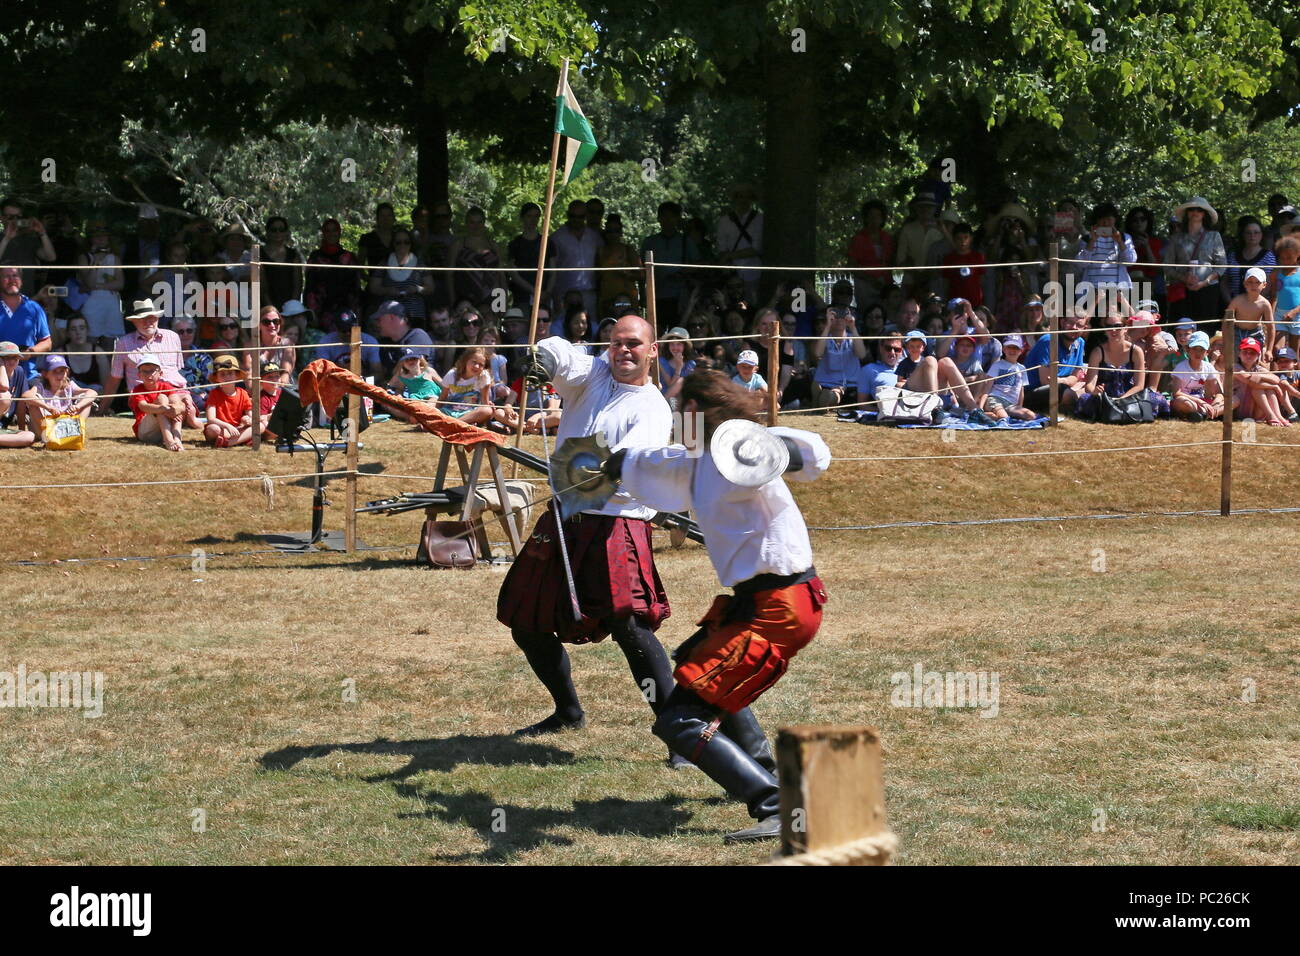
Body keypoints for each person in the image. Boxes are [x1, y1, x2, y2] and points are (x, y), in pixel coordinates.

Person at [606, 370, 830, 841]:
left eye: (677, 406)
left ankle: (778, 805)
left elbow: (809, 452)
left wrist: (782, 454)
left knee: (680, 721)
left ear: (695, 410)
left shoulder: (740, 451)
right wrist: (620, 462)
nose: (672, 416)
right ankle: (760, 770)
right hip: (764, 601)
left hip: (780, 606)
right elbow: (662, 460)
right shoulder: (700, 457)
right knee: (693, 666)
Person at [496, 315, 678, 750]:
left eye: (634, 344)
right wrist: (541, 358)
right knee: (527, 618)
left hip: (617, 522)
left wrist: (579, 471)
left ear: (652, 351)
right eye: (616, 343)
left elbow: (630, 466)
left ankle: (679, 734)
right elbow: (562, 354)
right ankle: (567, 712)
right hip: (564, 518)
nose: (623, 351)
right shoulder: (593, 373)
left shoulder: (652, 408)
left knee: (629, 626)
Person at [103, 298, 199, 426]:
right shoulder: (123, 343)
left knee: (187, 408)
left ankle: (184, 418)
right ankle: (177, 424)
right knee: (170, 407)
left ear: (158, 319)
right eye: (143, 319)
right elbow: (115, 377)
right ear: (135, 322)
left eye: (152, 318)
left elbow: (178, 370)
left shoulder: (173, 337)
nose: (148, 322)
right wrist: (103, 408)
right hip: (145, 395)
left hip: (176, 391)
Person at [1165, 197, 1227, 325]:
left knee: (1207, 329)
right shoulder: (1176, 238)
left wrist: (1205, 282)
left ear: (1204, 214)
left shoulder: (1214, 236)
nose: (1195, 212)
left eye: (1199, 209)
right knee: (1181, 328)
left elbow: (1222, 265)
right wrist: (1184, 278)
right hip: (1182, 290)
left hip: (1208, 290)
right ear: (1187, 213)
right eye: (1191, 209)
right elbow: (1167, 267)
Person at [1079, 313, 1148, 419]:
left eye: (1117, 326)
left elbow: (1139, 386)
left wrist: (1121, 400)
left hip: (1129, 397)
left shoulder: (1136, 351)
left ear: (1125, 328)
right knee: (1084, 399)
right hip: (1105, 398)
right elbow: (1089, 385)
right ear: (1104, 329)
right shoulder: (1097, 352)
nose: (1113, 330)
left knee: (1156, 398)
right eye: (1109, 327)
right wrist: (1095, 391)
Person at [1075, 202, 1137, 318]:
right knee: (1092, 324)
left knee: (1119, 324)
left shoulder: (1124, 237)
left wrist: (1119, 241)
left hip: (1119, 291)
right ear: (1096, 221)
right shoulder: (1087, 238)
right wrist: (1092, 241)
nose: (1105, 223)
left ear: (1115, 220)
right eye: (1102, 220)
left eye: (1109, 219)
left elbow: (1131, 261)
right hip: (1092, 291)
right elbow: (1080, 263)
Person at [641, 202, 697, 330]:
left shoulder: (686, 241)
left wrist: (682, 272)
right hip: (656, 296)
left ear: (677, 218)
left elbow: (698, 266)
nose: (667, 220)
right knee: (655, 331)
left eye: (671, 216)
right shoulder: (649, 242)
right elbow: (642, 272)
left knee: (679, 330)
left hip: (680, 297)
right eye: (664, 216)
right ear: (658, 218)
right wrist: (643, 296)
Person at [437, 346, 519, 430]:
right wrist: (434, 413)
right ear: (466, 360)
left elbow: (485, 402)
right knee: (431, 410)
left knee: (487, 410)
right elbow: (442, 398)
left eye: (481, 365)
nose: (476, 366)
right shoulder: (452, 374)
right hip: (450, 410)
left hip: (470, 413)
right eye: (474, 362)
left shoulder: (483, 376)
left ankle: (452, 424)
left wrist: (489, 425)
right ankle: (457, 424)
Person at [548, 199, 603, 318]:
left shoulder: (595, 237)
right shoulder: (556, 238)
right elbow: (552, 270)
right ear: (567, 215)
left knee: (590, 327)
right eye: (573, 216)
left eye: (581, 216)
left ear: (586, 216)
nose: (577, 219)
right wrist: (555, 296)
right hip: (564, 294)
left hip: (590, 293)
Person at [305, 218, 361, 333]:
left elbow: (356, 289)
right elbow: (310, 287)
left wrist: (357, 315)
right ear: (323, 233)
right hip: (321, 311)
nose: (331, 234)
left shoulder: (349, 257)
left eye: (334, 230)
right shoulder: (315, 257)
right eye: (328, 230)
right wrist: (312, 313)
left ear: (339, 232)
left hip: (346, 310)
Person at [22, 354, 96, 438]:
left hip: (66, 425)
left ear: (67, 372)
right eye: (54, 371)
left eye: (62, 371)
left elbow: (92, 393)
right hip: (45, 426)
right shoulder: (41, 386)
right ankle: (46, 438)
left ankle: (76, 431)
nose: (59, 375)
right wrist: (48, 408)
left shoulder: (69, 385)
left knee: (87, 400)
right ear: (45, 374)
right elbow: (26, 396)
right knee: (33, 403)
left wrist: (77, 406)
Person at [0, 266, 53, 378]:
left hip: (28, 376)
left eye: (15, 276)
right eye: (6, 276)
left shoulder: (34, 308)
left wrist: (30, 352)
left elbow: (47, 342)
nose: (11, 280)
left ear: (21, 280)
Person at [809, 307, 867, 407]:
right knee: (822, 388)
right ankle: (821, 397)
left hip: (849, 385)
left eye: (843, 317)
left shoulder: (852, 337)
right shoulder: (825, 338)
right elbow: (818, 353)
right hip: (826, 382)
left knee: (832, 395)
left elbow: (862, 354)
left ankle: (825, 399)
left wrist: (853, 327)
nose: (839, 320)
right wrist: (827, 326)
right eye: (835, 316)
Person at [128, 354, 187, 451]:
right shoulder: (137, 389)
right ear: (139, 375)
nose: (148, 375)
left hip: (162, 430)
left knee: (174, 403)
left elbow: (181, 405)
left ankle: (177, 438)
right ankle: (169, 440)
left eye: (152, 371)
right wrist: (164, 409)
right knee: (161, 400)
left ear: (160, 373)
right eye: (144, 371)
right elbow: (143, 407)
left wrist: (176, 409)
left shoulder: (166, 386)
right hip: (145, 432)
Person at [716, 184, 763, 303]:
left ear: (752, 199)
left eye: (747, 197)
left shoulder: (760, 220)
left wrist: (729, 255)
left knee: (751, 306)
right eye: (739, 196)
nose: (743, 200)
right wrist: (726, 261)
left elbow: (756, 248)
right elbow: (722, 248)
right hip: (730, 275)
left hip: (753, 273)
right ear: (734, 199)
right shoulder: (724, 221)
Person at [448, 207, 503, 310]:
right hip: (465, 296)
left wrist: (502, 303)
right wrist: (453, 300)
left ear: (484, 223)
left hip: (492, 296)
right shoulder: (458, 245)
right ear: (466, 223)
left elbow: (501, 276)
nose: (476, 226)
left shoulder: (493, 245)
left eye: (479, 222)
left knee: (491, 325)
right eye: (472, 222)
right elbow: (450, 274)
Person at [1233, 337, 1289, 426]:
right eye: (1245, 352)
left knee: (1266, 389)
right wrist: (1273, 386)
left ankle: (1278, 416)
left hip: (1255, 411)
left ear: (1258, 356)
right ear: (1239, 354)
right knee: (1259, 388)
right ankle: (1271, 416)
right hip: (1240, 410)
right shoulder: (1235, 367)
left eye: (1252, 353)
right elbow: (1249, 380)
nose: (1248, 355)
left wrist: (1259, 376)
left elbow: (1276, 379)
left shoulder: (1258, 369)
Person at [1169, 332, 1223, 421]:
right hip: (1188, 401)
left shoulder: (1208, 367)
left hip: (1204, 402)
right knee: (1183, 402)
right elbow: (1176, 393)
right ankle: (1204, 413)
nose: (1198, 353)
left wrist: (1216, 403)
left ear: (1207, 352)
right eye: (1195, 349)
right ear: (1188, 350)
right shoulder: (1181, 367)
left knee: (1233, 400)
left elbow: (1218, 393)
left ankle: (1207, 414)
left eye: (1201, 349)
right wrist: (1200, 402)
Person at [203, 354, 255, 447]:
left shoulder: (243, 393)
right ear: (217, 378)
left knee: (260, 425)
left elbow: (251, 415)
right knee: (213, 429)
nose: (227, 377)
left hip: (237, 428)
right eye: (222, 374)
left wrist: (248, 420)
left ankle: (229, 442)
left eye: (230, 373)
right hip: (221, 428)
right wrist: (227, 426)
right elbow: (211, 419)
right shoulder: (213, 394)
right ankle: (243, 439)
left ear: (236, 375)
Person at [596, 214, 641, 318]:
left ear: (621, 233)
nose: (612, 234)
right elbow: (596, 277)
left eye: (616, 231)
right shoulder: (600, 251)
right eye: (609, 231)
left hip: (626, 300)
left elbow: (641, 275)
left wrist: (626, 274)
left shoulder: (628, 250)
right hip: (607, 299)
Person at [373, 300, 433, 379]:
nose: (377, 324)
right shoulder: (384, 343)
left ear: (391, 317)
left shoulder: (418, 336)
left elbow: (411, 369)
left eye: (379, 320)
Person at [981, 334, 1034, 421]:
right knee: (1003, 417)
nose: (1012, 350)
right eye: (1009, 347)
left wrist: (1019, 407)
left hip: (1011, 404)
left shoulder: (1022, 368)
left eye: (1016, 348)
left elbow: (1021, 390)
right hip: (995, 399)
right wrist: (980, 408)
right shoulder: (997, 365)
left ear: (1021, 351)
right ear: (1004, 349)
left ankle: (994, 415)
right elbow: (986, 389)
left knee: (1030, 416)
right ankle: (985, 414)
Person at [259, 216, 305, 310]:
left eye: (281, 229)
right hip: (265, 307)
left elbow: (298, 285)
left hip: (290, 307)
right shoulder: (259, 254)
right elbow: (262, 287)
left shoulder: (294, 255)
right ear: (267, 232)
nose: (278, 233)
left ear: (286, 232)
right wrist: (272, 309)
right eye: (273, 230)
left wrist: (290, 308)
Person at [1227, 267, 1274, 359]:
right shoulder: (1237, 301)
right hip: (1237, 332)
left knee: (1254, 359)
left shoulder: (1265, 304)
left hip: (1255, 333)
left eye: (1257, 282)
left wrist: (1269, 350)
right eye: (1250, 282)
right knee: (1236, 359)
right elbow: (1226, 322)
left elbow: (1271, 327)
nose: (1253, 285)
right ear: (1245, 284)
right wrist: (1226, 341)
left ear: (1264, 285)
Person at [0, 346, 37, 447]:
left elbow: (21, 403)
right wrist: (1, 367)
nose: (12, 361)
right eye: (7, 357)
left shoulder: (19, 371)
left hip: (2, 429)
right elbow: (4, 386)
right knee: (5, 397)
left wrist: (21, 429)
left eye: (15, 358)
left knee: (29, 436)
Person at [1273, 236, 1300, 355]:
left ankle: (1295, 373)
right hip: (1279, 314)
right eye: (1282, 258)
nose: (1285, 261)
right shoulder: (1276, 273)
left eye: (1289, 258)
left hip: (1297, 315)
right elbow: (1273, 295)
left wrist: (1294, 312)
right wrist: (1270, 317)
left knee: (1295, 352)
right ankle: (1275, 373)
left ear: (1297, 255)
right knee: (1277, 349)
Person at [658, 326, 696, 405]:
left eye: (679, 344)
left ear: (684, 346)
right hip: (666, 399)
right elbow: (670, 385)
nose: (675, 347)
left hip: (683, 400)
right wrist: (679, 367)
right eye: (672, 344)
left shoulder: (691, 364)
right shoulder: (662, 361)